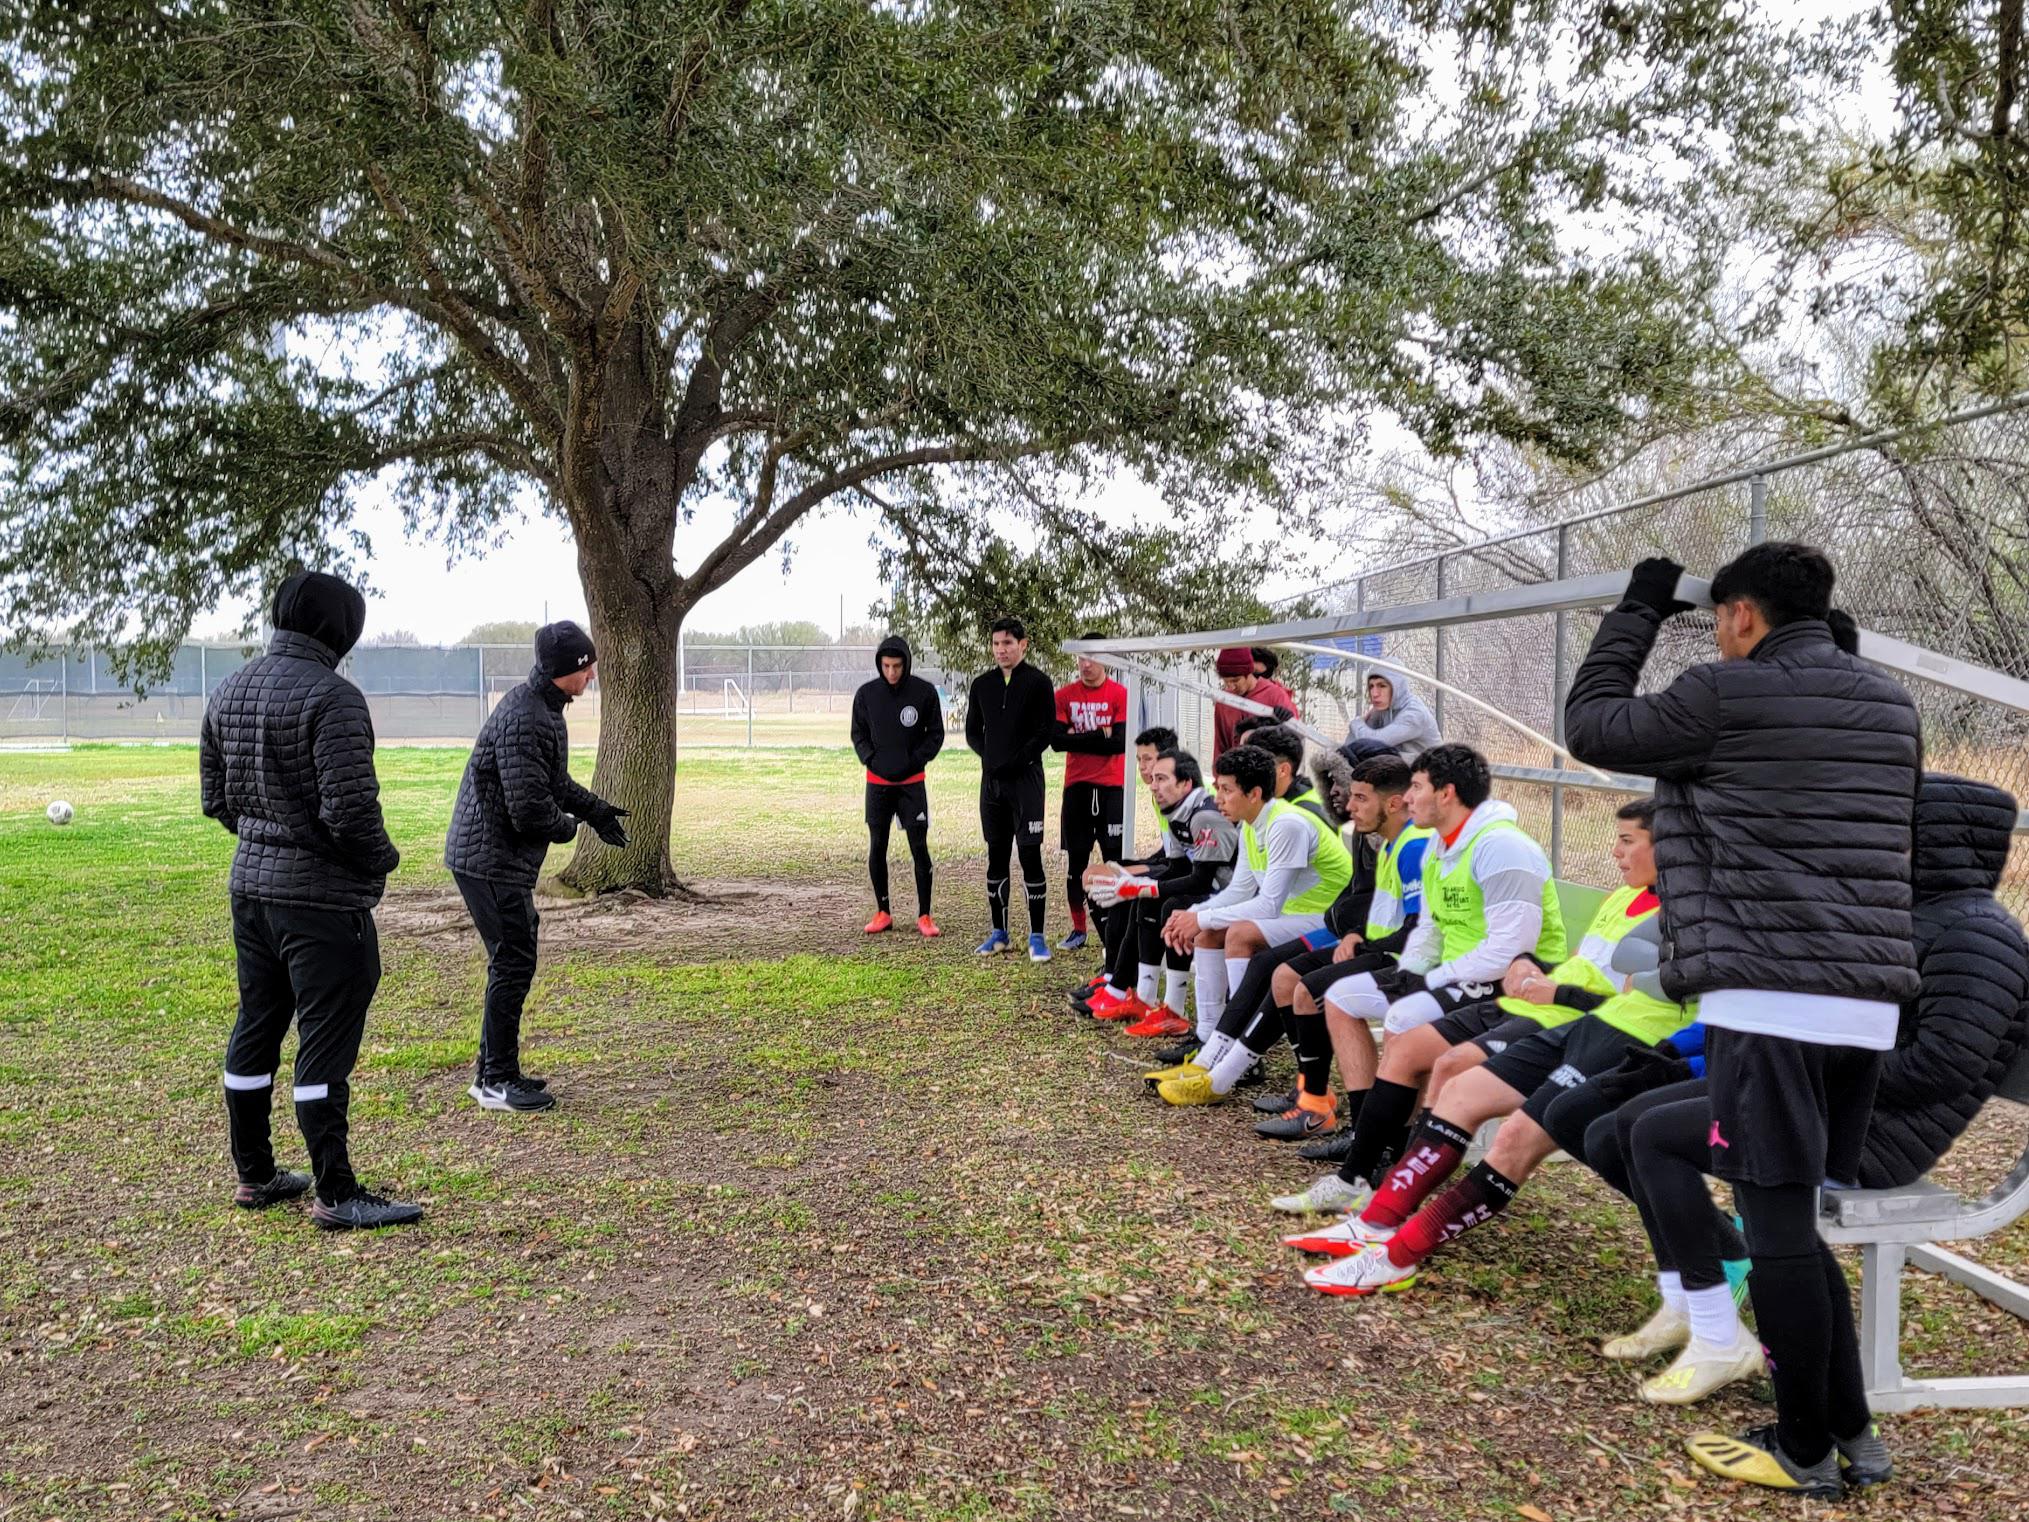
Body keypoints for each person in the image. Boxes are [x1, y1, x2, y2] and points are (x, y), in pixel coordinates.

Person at [1563, 543, 1922, 1499]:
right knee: (1795, 1222)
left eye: (1719, 622)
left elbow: (1593, 725)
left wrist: (1637, 612)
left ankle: (1804, 1449)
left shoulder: (1725, 696)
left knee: (1777, 1233)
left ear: (1741, 617)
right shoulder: (1890, 703)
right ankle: (1851, 1430)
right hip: (1865, 1005)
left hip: (1766, 997)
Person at [1568, 774, 2029, 1419]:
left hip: (1875, 1133)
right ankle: (1690, 1297)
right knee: (1618, 1124)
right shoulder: (1907, 916)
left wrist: (1805, 1068)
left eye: (1892, 830)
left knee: (1654, 1136)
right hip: (1823, 1097)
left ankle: (1718, 1332)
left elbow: (1940, 1067)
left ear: (1933, 841)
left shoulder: (1978, 936)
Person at [201, 570, 419, 1231]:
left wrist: (269, 839)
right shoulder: (335, 698)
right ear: (340, 629)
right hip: (320, 904)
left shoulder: (229, 688)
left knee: (257, 1025)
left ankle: (256, 1173)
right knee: (323, 1044)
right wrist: (382, 859)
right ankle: (336, 1191)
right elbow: (351, 812)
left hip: (251, 892)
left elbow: (217, 800)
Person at [1275, 744, 1566, 1206]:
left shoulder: (1504, 847)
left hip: (1515, 985)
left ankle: (1386, 1167)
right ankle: (1370, 1157)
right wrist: (1410, 973)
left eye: (1416, 786)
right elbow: (1429, 929)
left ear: (1446, 794)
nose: (1407, 799)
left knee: (1407, 1025)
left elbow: (1512, 950)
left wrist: (1433, 980)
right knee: (1352, 999)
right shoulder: (1439, 846)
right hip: (1460, 975)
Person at [445, 620, 627, 1113]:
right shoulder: (526, 716)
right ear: (564, 671)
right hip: (490, 861)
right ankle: (496, 1082)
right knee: (513, 961)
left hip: (494, 859)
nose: (592, 675)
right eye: (586, 668)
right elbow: (528, 808)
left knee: (512, 959)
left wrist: (596, 811)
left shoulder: (544, 709)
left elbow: (555, 781)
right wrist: (570, 829)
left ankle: (493, 1071)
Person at [1148, 745, 1352, 1105]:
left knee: (1240, 933)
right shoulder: (1250, 825)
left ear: (1254, 794)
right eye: (1218, 788)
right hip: (1295, 917)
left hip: (1329, 920)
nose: (1217, 798)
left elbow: (1269, 905)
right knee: (1211, 932)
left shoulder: (1286, 824)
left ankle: (1245, 1058)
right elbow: (1240, 890)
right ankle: (1209, 1043)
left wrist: (1199, 916)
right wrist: (1193, 916)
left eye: (1226, 789)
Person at [1083, 748, 1238, 1034]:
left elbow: (1202, 881)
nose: (1153, 785)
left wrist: (1139, 886)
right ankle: (1144, 998)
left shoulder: (1205, 816)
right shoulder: (1175, 810)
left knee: (1172, 906)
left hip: (1234, 894)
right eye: (1152, 778)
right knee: (1150, 903)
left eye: (1162, 778)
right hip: (1215, 888)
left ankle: (1175, 1010)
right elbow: (1178, 868)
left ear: (1185, 784)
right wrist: (1137, 888)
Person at [965, 616, 1058, 961]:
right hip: (992, 785)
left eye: (1007, 643)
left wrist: (1016, 760)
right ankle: (999, 933)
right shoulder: (982, 684)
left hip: (1026, 783)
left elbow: (1044, 733)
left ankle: (1037, 937)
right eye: (996, 643)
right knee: (996, 855)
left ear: (1023, 644)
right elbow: (973, 731)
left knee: (1030, 855)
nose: (1001, 650)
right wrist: (990, 758)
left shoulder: (1038, 683)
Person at [1069, 725, 1177, 1011]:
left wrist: (1134, 872)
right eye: (1139, 759)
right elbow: (1169, 849)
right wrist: (1134, 866)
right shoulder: (1158, 793)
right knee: (1093, 876)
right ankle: (1112, 972)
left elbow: (1186, 859)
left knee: (1121, 885)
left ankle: (1121, 981)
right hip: (1172, 864)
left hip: (1185, 874)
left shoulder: (1181, 792)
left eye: (1148, 759)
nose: (1142, 767)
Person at [850, 635, 945, 937]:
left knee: (919, 847)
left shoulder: (924, 693)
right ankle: (883, 912)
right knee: (878, 845)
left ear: (906, 663)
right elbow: (858, 734)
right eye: (886, 666)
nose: (892, 672)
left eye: (897, 666)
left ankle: (925, 915)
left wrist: (914, 761)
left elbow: (935, 735)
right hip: (877, 784)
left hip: (911, 784)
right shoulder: (866, 694)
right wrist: (872, 760)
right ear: (880, 664)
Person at [1052, 636, 1130, 950]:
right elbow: (1057, 742)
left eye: (1092, 658)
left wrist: (1078, 736)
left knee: (1116, 861)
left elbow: (1120, 742)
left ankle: (1121, 927)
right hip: (1077, 790)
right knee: (1076, 864)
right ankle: (1078, 928)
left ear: (1106, 659)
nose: (1085, 664)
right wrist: (1102, 733)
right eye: (1081, 658)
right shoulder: (1064, 696)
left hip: (1111, 789)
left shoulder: (1121, 694)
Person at [1212, 646, 1300, 756]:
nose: (1231, 687)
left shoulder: (1275, 695)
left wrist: (1287, 722)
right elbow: (1220, 745)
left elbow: (1295, 740)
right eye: (1226, 682)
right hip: (1236, 769)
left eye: (1236, 680)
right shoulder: (1224, 701)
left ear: (1249, 672)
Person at [1350, 672, 1439, 761]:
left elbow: (1373, 743)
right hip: (1407, 765)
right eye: (1371, 686)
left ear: (1397, 686)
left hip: (1432, 770)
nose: (1374, 694)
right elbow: (1353, 742)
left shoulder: (1414, 714)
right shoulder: (1385, 706)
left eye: (1382, 686)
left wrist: (1357, 723)